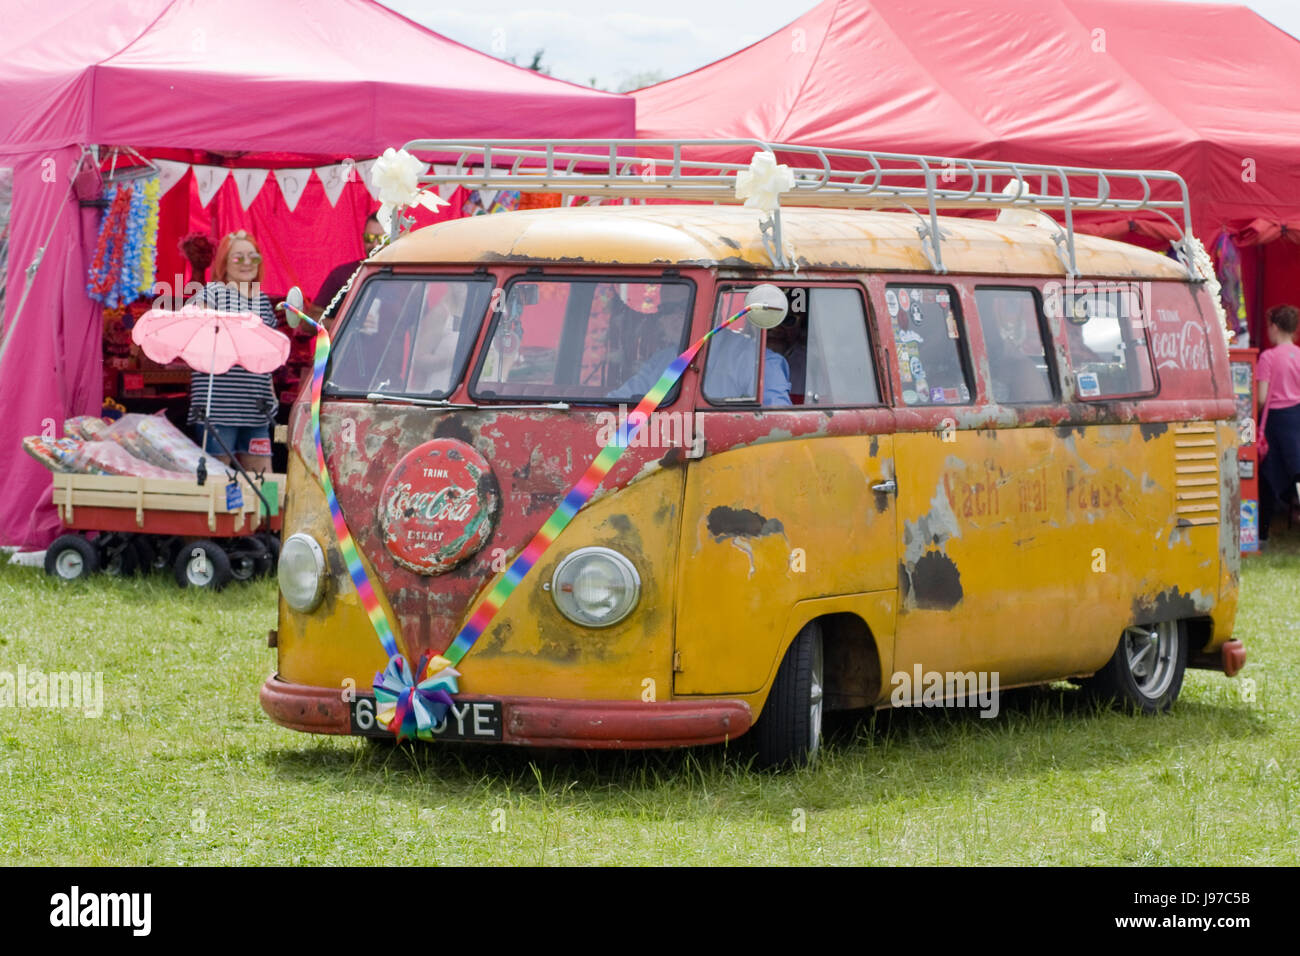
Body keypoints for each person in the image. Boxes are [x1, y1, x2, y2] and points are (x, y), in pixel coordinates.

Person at [186, 230, 278, 474]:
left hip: (257, 408)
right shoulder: (211, 294)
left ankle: (263, 515)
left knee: (264, 477)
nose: (247, 263)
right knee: (219, 478)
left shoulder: (263, 301)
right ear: (224, 263)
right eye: (238, 258)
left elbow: (268, 357)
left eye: (253, 257)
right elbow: (192, 330)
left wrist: (272, 396)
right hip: (218, 409)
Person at [1256, 304, 1300, 545]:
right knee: (1298, 473)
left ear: (1274, 326)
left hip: (1275, 421)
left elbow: (1262, 397)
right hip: (1297, 419)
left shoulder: (1268, 357)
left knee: (1268, 476)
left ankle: (1262, 533)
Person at [313, 213, 385, 322]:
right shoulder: (342, 274)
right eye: (369, 238)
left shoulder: (406, 274)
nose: (375, 245)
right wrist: (346, 326)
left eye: (381, 239)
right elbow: (309, 321)